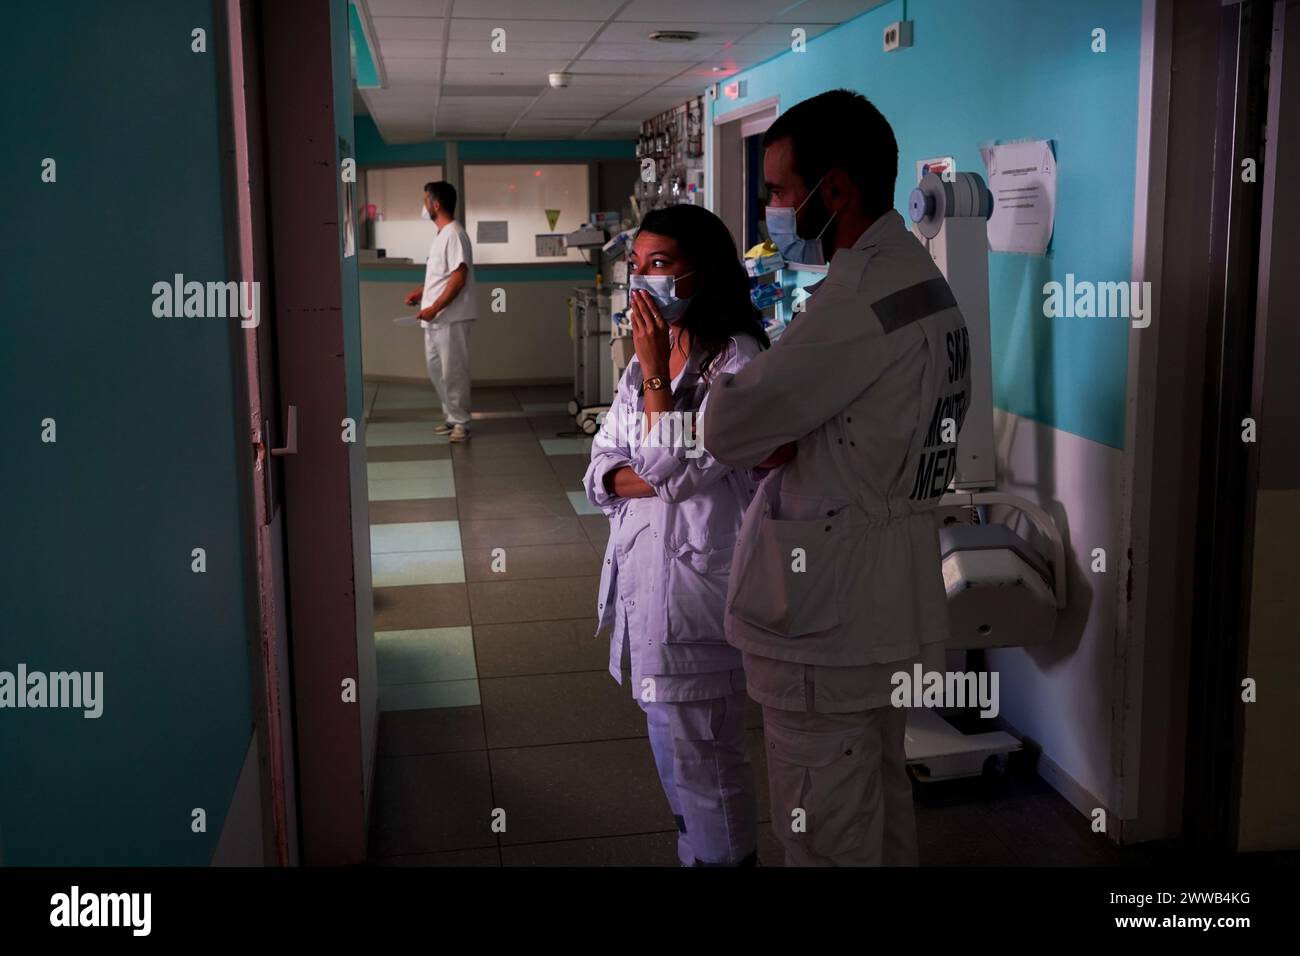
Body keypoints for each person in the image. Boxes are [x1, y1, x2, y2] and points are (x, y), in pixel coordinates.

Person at [701, 89, 972, 866]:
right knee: (876, 807)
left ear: (837, 190)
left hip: (829, 615)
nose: (775, 212)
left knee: (823, 829)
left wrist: (770, 422)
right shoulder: (918, 278)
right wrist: (790, 425)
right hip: (884, 600)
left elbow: (727, 429)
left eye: (783, 193)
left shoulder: (855, 297)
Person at [583, 204, 774, 867]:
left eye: (659, 265)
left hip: (698, 593)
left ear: (704, 269)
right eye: (636, 267)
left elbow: (669, 469)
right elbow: (602, 464)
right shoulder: (645, 362)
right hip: (647, 584)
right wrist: (640, 467)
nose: (643, 282)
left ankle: (726, 860)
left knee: (707, 764)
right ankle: (700, 856)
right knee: (673, 758)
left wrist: (659, 379)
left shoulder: (736, 361)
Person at [405, 181, 477, 442]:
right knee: (437, 371)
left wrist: (434, 307)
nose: (424, 206)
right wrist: (422, 294)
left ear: (435, 204)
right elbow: (441, 277)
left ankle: (461, 423)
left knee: (453, 371)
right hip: (435, 319)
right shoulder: (441, 235)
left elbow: (459, 277)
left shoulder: (455, 233)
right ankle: (450, 417)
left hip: (451, 318)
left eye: (425, 200)